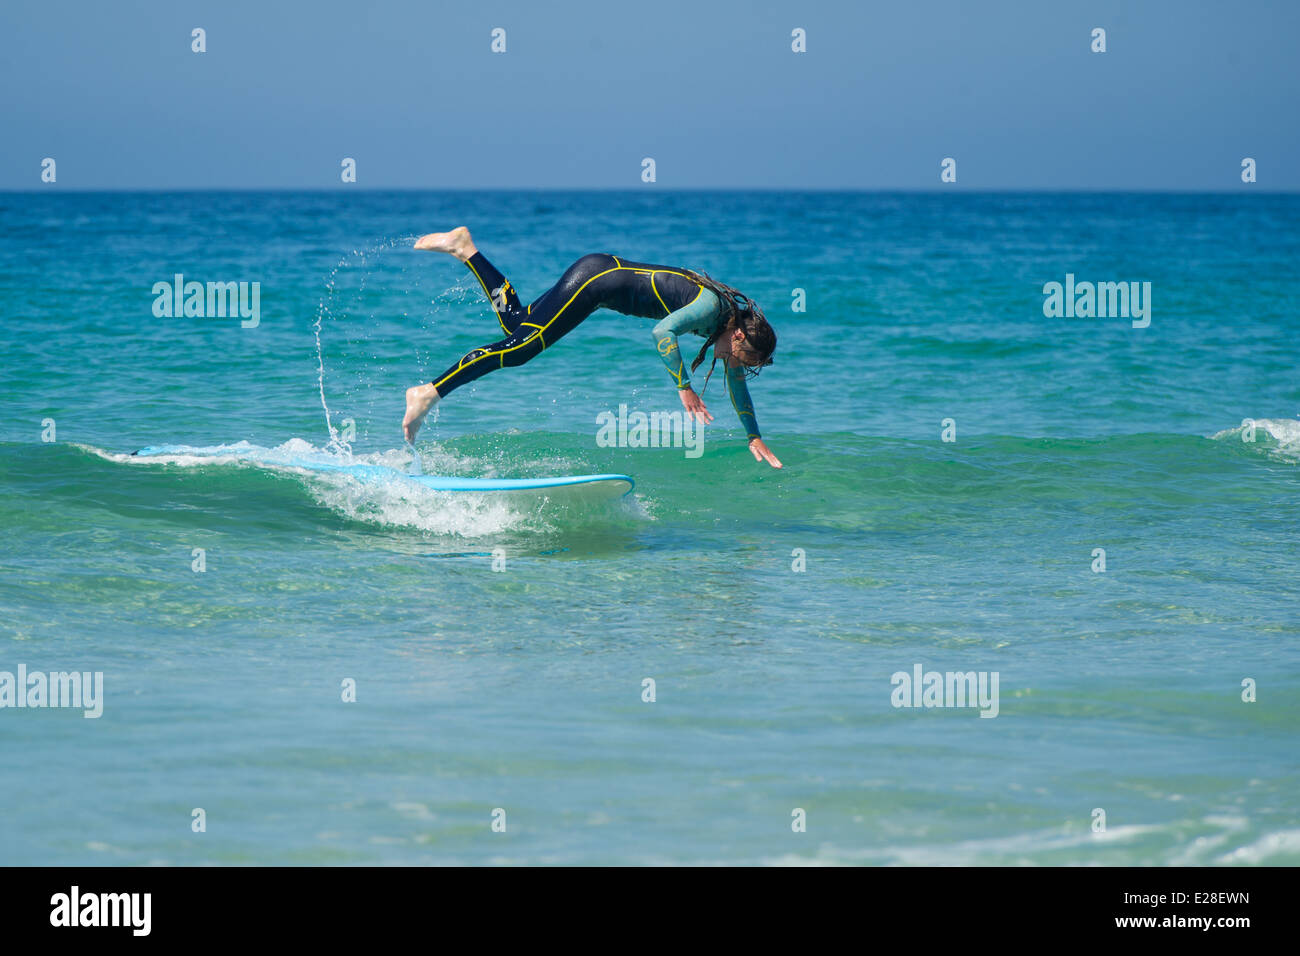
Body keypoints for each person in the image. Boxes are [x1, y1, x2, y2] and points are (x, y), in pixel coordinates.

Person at [402, 227, 782, 468]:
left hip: (598, 281)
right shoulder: (712, 307)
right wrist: (683, 387)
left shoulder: (727, 325)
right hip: (595, 280)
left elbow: (737, 384)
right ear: (739, 338)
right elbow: (663, 334)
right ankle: (429, 392)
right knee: (520, 349)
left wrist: (753, 435)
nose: (732, 364)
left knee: (516, 323)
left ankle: (464, 249)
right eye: (740, 358)